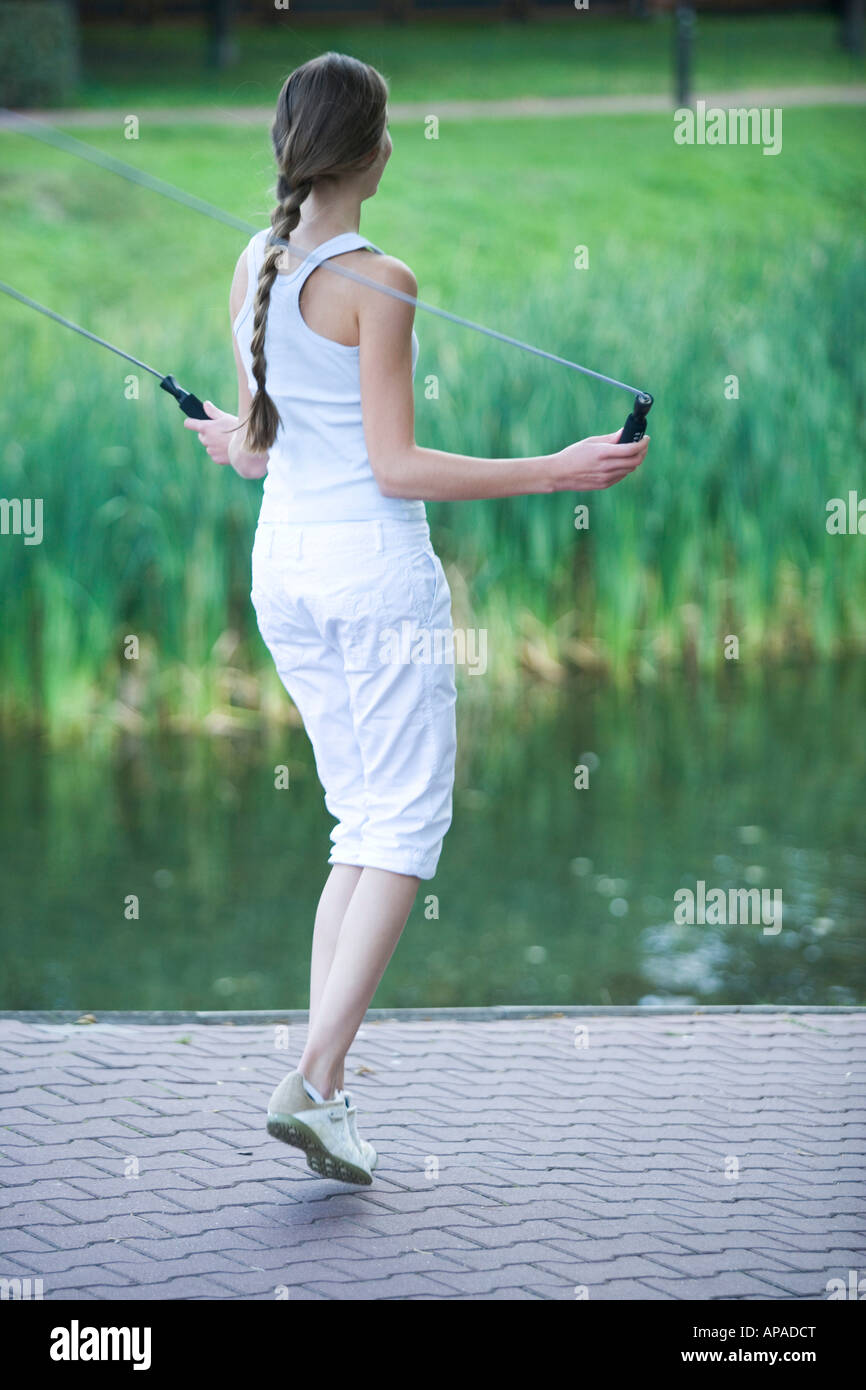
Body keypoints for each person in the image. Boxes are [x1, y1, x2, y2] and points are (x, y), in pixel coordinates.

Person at [185, 51, 650, 1186]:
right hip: (367, 582)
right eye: (389, 131)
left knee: (360, 822)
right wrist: (550, 468)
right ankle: (309, 1075)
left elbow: (258, 450)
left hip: (284, 574)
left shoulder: (255, 259)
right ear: (370, 153)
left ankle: (325, 1090)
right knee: (400, 831)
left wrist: (227, 439)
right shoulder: (378, 280)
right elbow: (392, 467)